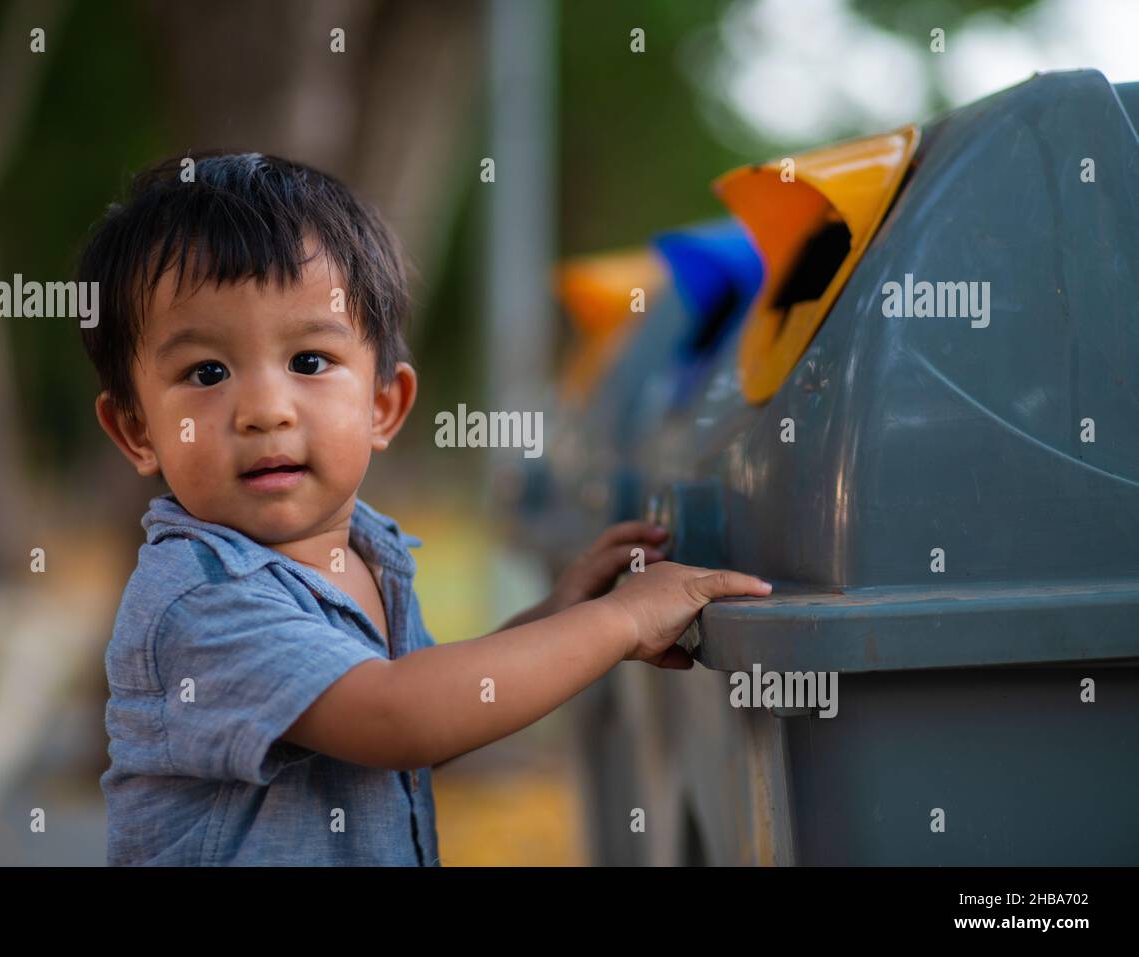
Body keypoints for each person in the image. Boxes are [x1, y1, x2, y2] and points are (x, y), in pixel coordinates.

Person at [78, 151, 771, 865]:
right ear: (136, 429)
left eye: (309, 361)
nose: (264, 410)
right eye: (207, 373)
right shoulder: (202, 597)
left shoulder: (365, 554)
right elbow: (400, 717)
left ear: (385, 404)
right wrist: (617, 621)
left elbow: (430, 713)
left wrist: (558, 617)